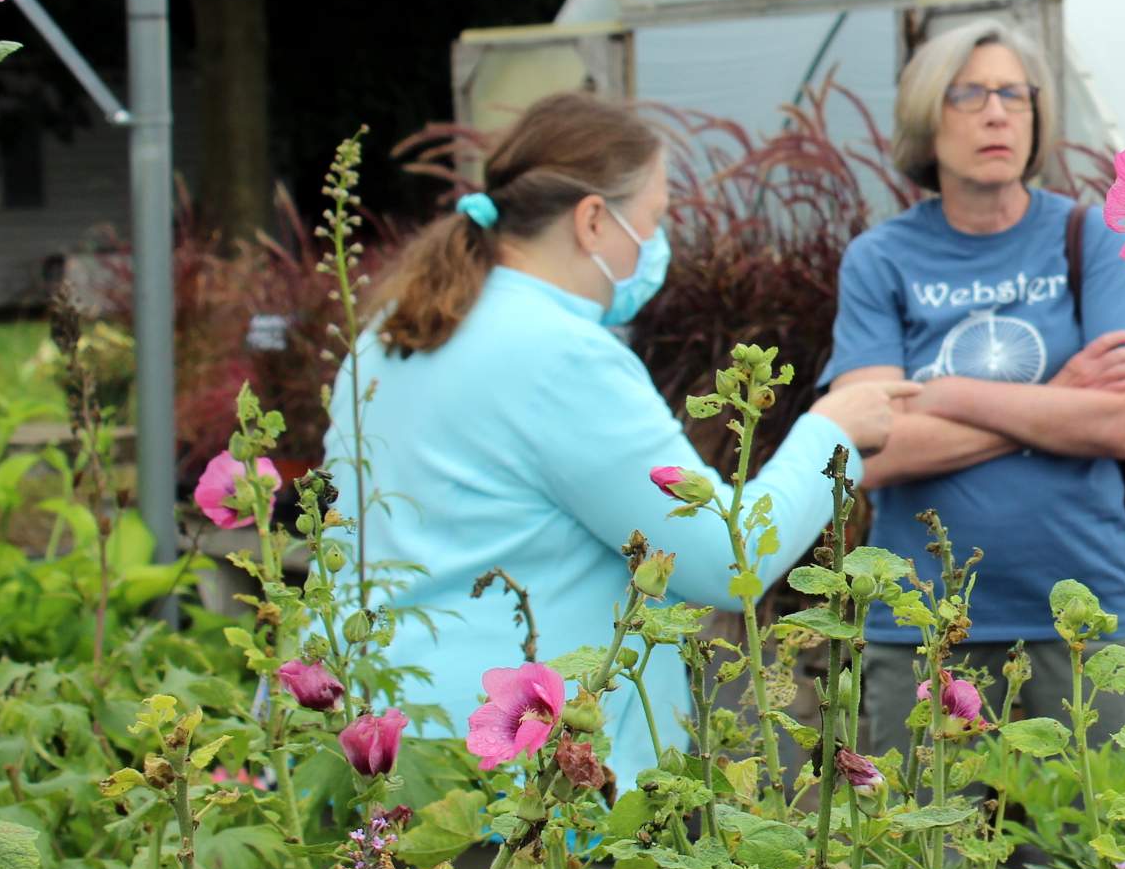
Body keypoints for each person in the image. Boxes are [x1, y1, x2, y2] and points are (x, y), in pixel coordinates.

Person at [326, 93, 913, 784]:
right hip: (518, 784)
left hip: (380, 745)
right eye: (655, 220)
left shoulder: (395, 329)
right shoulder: (563, 356)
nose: (657, 246)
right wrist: (832, 431)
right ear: (594, 220)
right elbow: (730, 560)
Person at [825, 17, 1125, 756]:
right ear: (926, 115)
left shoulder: (1093, 237)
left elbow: (1122, 425)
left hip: (1086, 621)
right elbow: (872, 453)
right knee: (925, 866)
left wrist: (948, 394)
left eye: (1014, 94)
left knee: (1100, 864)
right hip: (920, 631)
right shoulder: (880, 260)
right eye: (970, 94)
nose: (996, 113)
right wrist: (1061, 394)